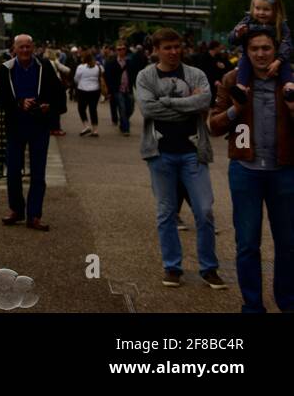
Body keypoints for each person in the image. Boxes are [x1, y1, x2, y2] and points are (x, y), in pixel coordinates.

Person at [208, 25, 294, 312]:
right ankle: (253, 305)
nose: (260, 53)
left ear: (276, 51)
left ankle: (287, 299)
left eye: (266, 48)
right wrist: (235, 108)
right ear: (246, 52)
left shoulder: (289, 82)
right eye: (254, 48)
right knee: (247, 243)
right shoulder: (233, 80)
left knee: (288, 243)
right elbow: (214, 126)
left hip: (284, 170)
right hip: (246, 171)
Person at [136, 27, 227, 290]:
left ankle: (209, 268)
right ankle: (172, 267)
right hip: (160, 152)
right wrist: (186, 105)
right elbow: (147, 108)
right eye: (167, 47)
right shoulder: (145, 76)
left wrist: (166, 103)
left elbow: (204, 102)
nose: (174, 52)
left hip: (193, 151)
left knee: (205, 210)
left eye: (177, 46)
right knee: (166, 213)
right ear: (156, 50)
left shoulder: (196, 74)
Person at [0, 34, 64, 231]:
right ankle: (16, 209)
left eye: (28, 47)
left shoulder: (45, 67)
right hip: (15, 126)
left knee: (38, 173)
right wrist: (19, 103)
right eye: (21, 47)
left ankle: (34, 215)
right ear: (14, 49)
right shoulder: (6, 69)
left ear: (33, 48)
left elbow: (58, 93)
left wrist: (47, 106)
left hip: (39, 127)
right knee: (13, 171)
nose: (25, 50)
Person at [227, 0, 294, 94]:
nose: (261, 13)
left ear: (276, 10)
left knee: (285, 64)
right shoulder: (248, 20)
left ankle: (289, 86)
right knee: (244, 62)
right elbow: (231, 40)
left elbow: (287, 43)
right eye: (257, 8)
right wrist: (238, 34)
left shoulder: (281, 25)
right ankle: (241, 87)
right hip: (249, 55)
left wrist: (278, 61)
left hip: (278, 55)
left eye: (266, 9)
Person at [104, 40, 144, 136]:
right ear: (116, 50)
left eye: (123, 49)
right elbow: (108, 77)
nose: (121, 50)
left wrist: (137, 87)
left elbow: (135, 74)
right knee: (122, 108)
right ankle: (126, 129)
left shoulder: (130, 61)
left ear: (126, 50)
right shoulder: (111, 62)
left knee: (131, 108)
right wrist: (109, 91)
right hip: (118, 90)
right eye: (119, 49)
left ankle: (123, 122)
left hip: (128, 88)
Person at [73, 47, 104, 137]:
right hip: (95, 90)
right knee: (93, 109)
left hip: (83, 90)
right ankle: (95, 130)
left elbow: (76, 79)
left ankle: (86, 126)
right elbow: (102, 74)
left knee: (81, 108)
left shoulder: (81, 67)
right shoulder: (98, 66)